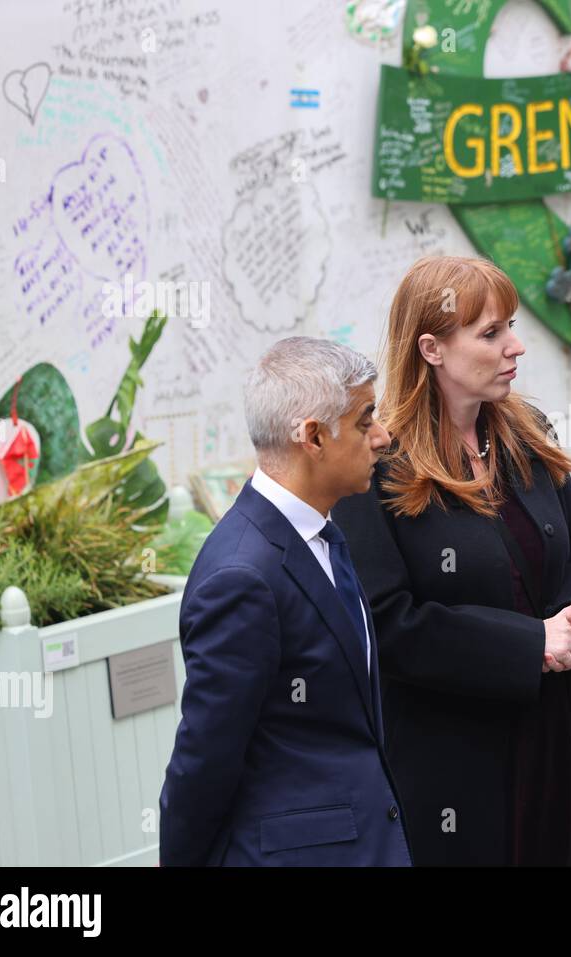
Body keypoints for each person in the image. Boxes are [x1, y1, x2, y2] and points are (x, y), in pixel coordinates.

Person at [334, 255, 571, 866]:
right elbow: (386, 622)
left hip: (562, 742)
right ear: (432, 348)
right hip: (461, 767)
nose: (516, 346)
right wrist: (528, 644)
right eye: (491, 333)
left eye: (510, 326)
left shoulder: (525, 434)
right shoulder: (379, 467)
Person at [160, 337, 411, 866]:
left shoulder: (322, 532)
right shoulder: (241, 576)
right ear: (313, 437)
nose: (383, 437)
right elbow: (205, 757)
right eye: (366, 420)